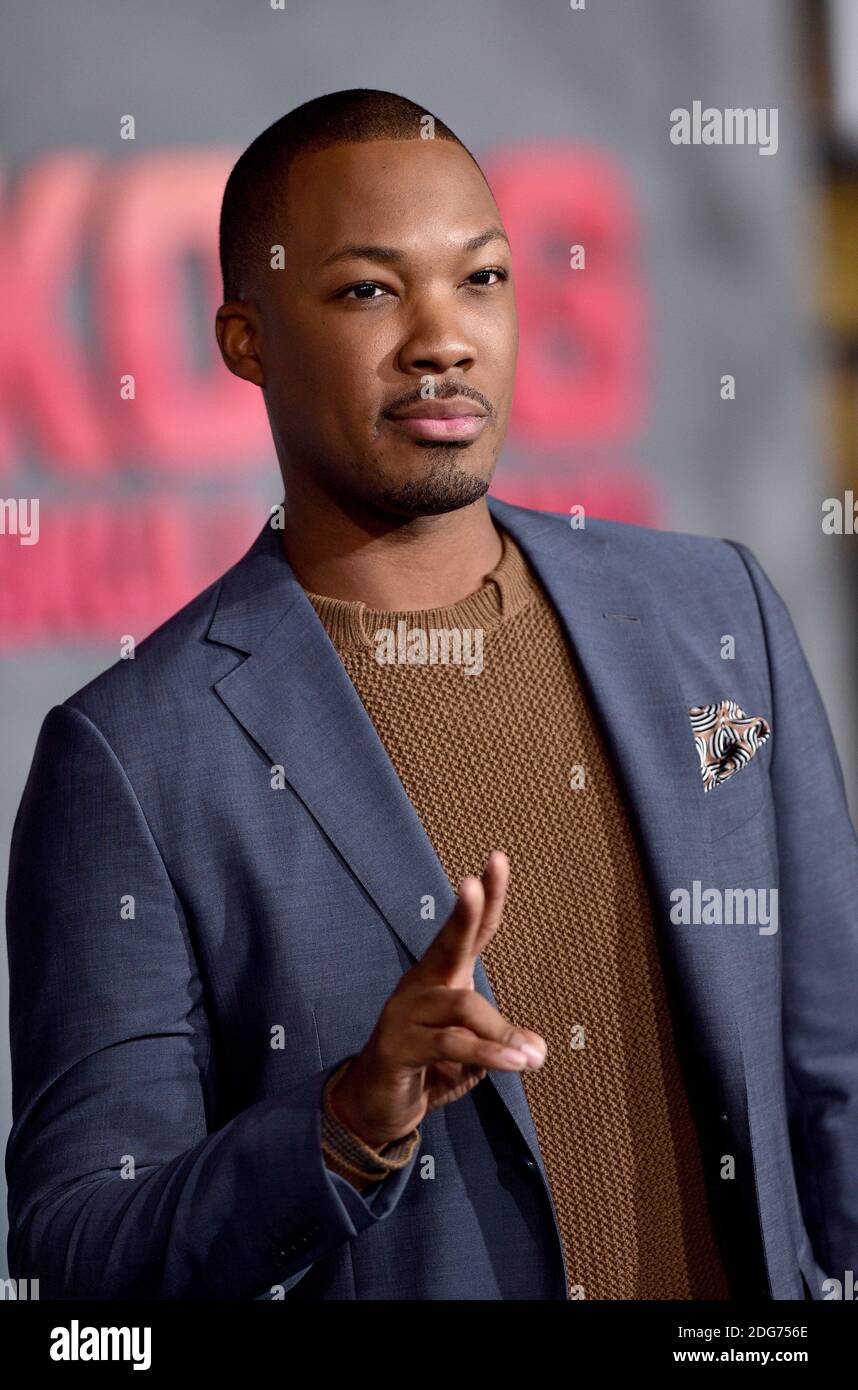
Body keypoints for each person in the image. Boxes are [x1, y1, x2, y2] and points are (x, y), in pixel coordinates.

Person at [6, 88, 857, 1301]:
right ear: (244, 341)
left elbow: (833, 1061)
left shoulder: (713, 616)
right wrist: (346, 1122)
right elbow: (76, 1258)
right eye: (368, 289)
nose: (443, 338)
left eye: (484, 279)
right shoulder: (134, 755)